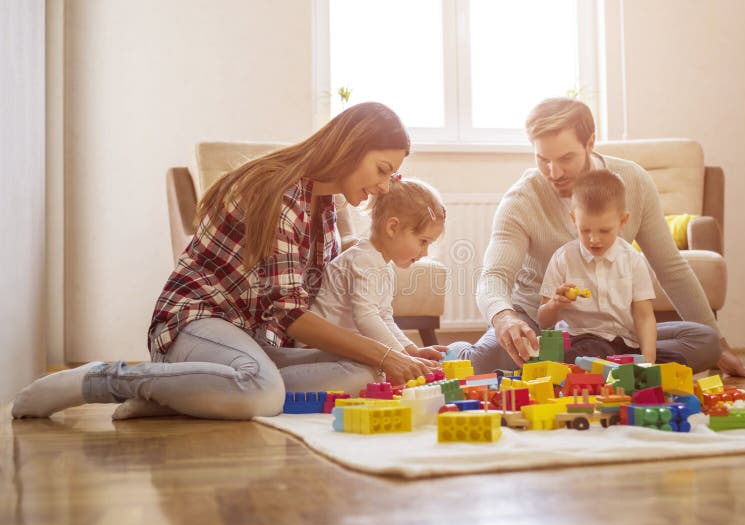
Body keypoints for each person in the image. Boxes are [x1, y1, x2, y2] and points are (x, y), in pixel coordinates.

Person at [13, 102, 441, 421]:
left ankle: (185, 397)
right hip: (197, 320)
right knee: (261, 392)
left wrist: (396, 355)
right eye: (383, 170)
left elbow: (309, 313)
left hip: (253, 342)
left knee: (365, 374)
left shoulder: (326, 209)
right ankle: (108, 378)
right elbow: (293, 317)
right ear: (351, 147)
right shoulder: (280, 192)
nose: (385, 187)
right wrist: (387, 352)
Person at [450, 97, 745, 378]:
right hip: (539, 326)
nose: (554, 172)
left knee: (705, 342)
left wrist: (721, 346)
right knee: (486, 363)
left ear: (590, 143)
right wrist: (504, 318)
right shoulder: (521, 199)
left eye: (566, 158)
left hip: (613, 328)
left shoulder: (633, 182)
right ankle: (603, 367)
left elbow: (671, 269)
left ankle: (594, 368)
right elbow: (494, 276)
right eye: (542, 159)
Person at [538, 169, 684, 365]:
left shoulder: (632, 260)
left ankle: (619, 369)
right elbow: (543, 321)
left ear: (623, 221)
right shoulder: (563, 258)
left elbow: (644, 316)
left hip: (626, 343)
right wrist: (555, 303)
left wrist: (648, 361)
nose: (594, 239)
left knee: (682, 358)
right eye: (585, 230)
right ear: (574, 219)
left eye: (605, 231)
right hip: (582, 341)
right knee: (593, 352)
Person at [306, 177, 448, 375]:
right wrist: (399, 358)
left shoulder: (384, 265)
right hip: (316, 350)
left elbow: (384, 316)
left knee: (377, 373)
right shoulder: (363, 260)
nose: (424, 253)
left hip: (345, 349)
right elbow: (366, 317)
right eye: (423, 241)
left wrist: (411, 351)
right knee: (372, 375)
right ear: (392, 228)